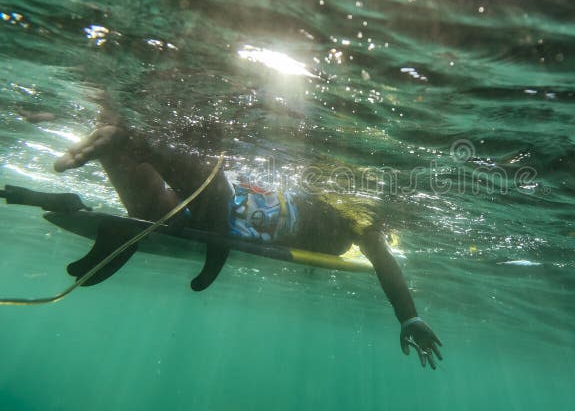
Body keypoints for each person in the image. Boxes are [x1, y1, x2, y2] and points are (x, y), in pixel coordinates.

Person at [53, 115, 443, 369]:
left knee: (160, 208)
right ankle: (139, 144)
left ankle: (118, 147)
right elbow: (384, 262)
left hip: (249, 201)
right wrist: (409, 316)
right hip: (248, 221)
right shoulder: (363, 214)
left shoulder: (339, 199)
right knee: (203, 200)